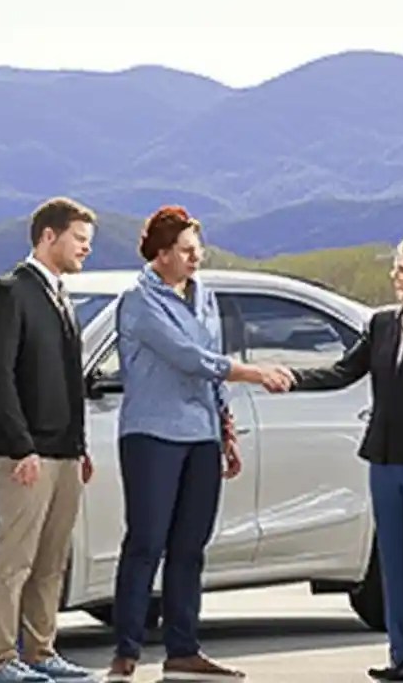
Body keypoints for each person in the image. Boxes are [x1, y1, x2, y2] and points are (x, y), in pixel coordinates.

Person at [105, 205, 293, 682]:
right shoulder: (139, 301)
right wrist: (253, 373)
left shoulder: (203, 296)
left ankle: (183, 649)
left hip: (201, 436)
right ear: (162, 254)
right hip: (153, 435)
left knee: (191, 546)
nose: (197, 257)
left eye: (198, 249)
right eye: (187, 250)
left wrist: (225, 427)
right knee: (146, 542)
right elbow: (190, 357)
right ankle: (126, 651)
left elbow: (213, 366)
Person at [288, 235, 403, 682]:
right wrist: (289, 377)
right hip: (385, 463)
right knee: (393, 563)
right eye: (395, 267)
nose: (394, 275)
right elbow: (342, 371)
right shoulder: (382, 324)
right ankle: (402, 656)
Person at [0, 196, 99, 683]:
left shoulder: (62, 296)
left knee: (51, 561)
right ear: (49, 237)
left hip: (64, 453)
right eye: (79, 240)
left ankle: (41, 652)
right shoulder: (7, 293)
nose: (86, 250)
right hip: (25, 454)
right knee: (14, 560)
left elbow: (69, 380)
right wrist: (19, 445)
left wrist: (79, 445)